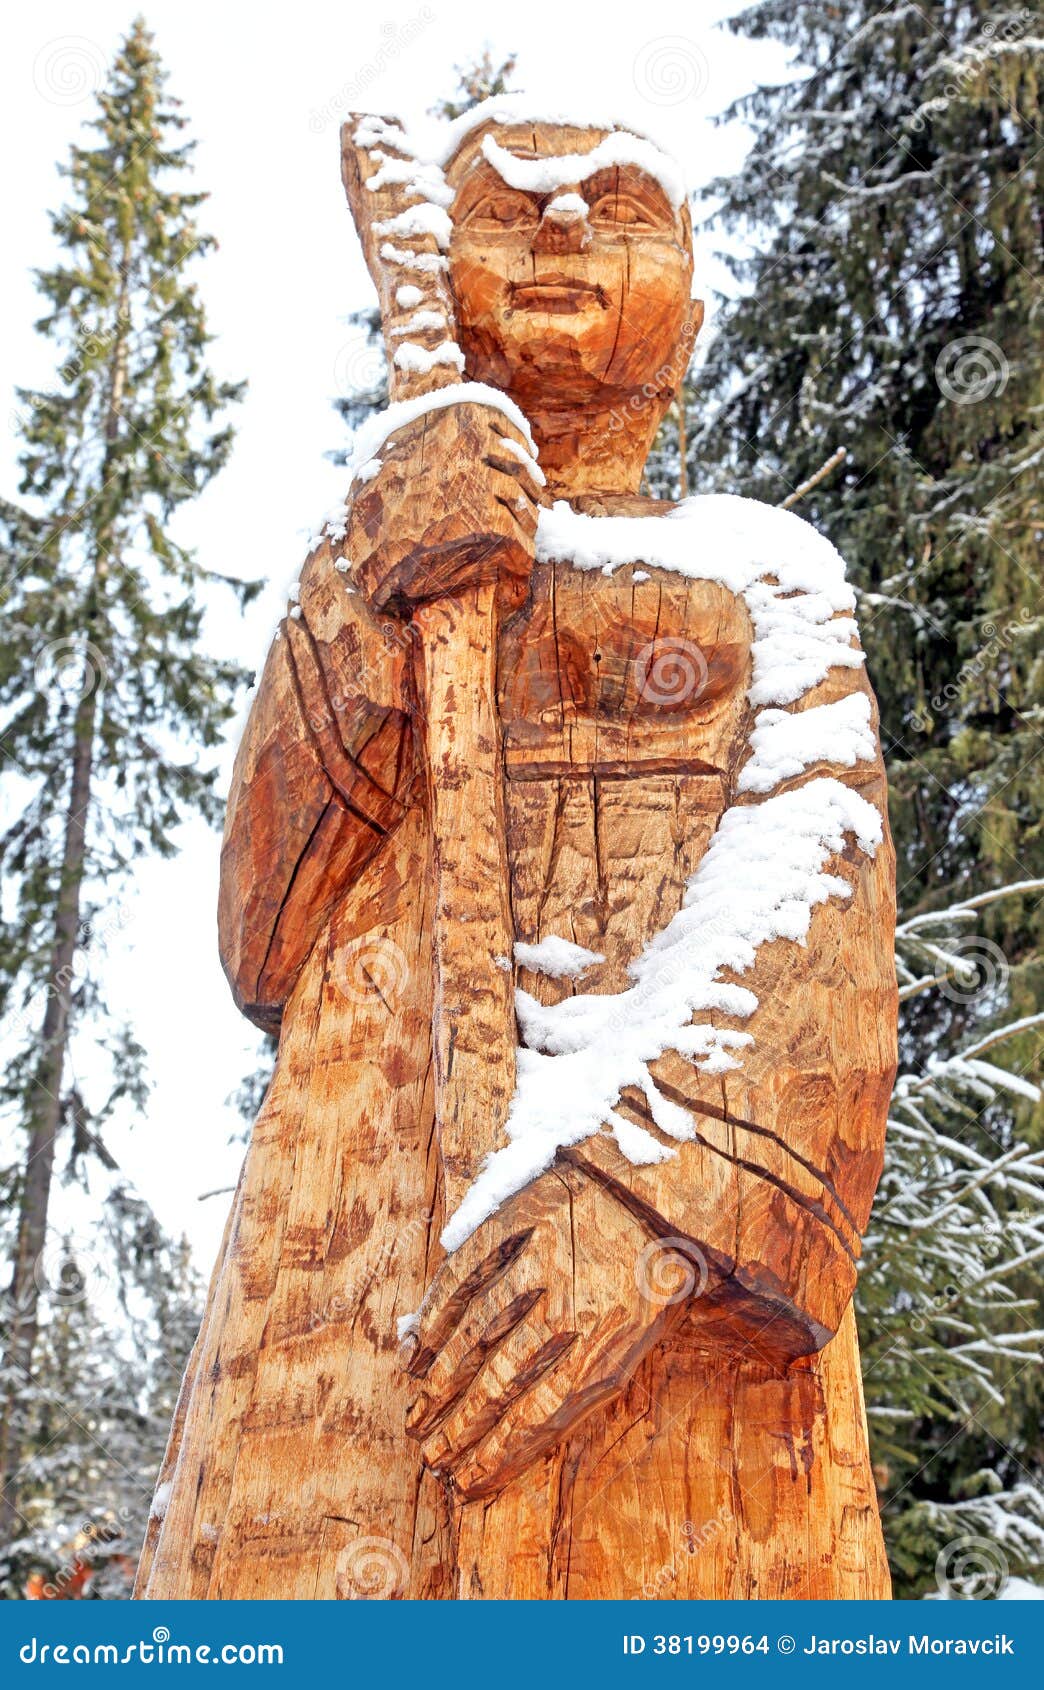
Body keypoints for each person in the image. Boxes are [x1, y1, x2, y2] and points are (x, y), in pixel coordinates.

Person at [137, 107, 896, 1602]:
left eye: (614, 206)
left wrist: (651, 1201)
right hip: (355, 1291)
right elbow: (259, 928)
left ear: (688, 311)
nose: (556, 226)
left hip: (680, 1363)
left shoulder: (763, 580)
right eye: (508, 206)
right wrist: (371, 585)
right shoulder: (384, 572)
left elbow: (825, 910)